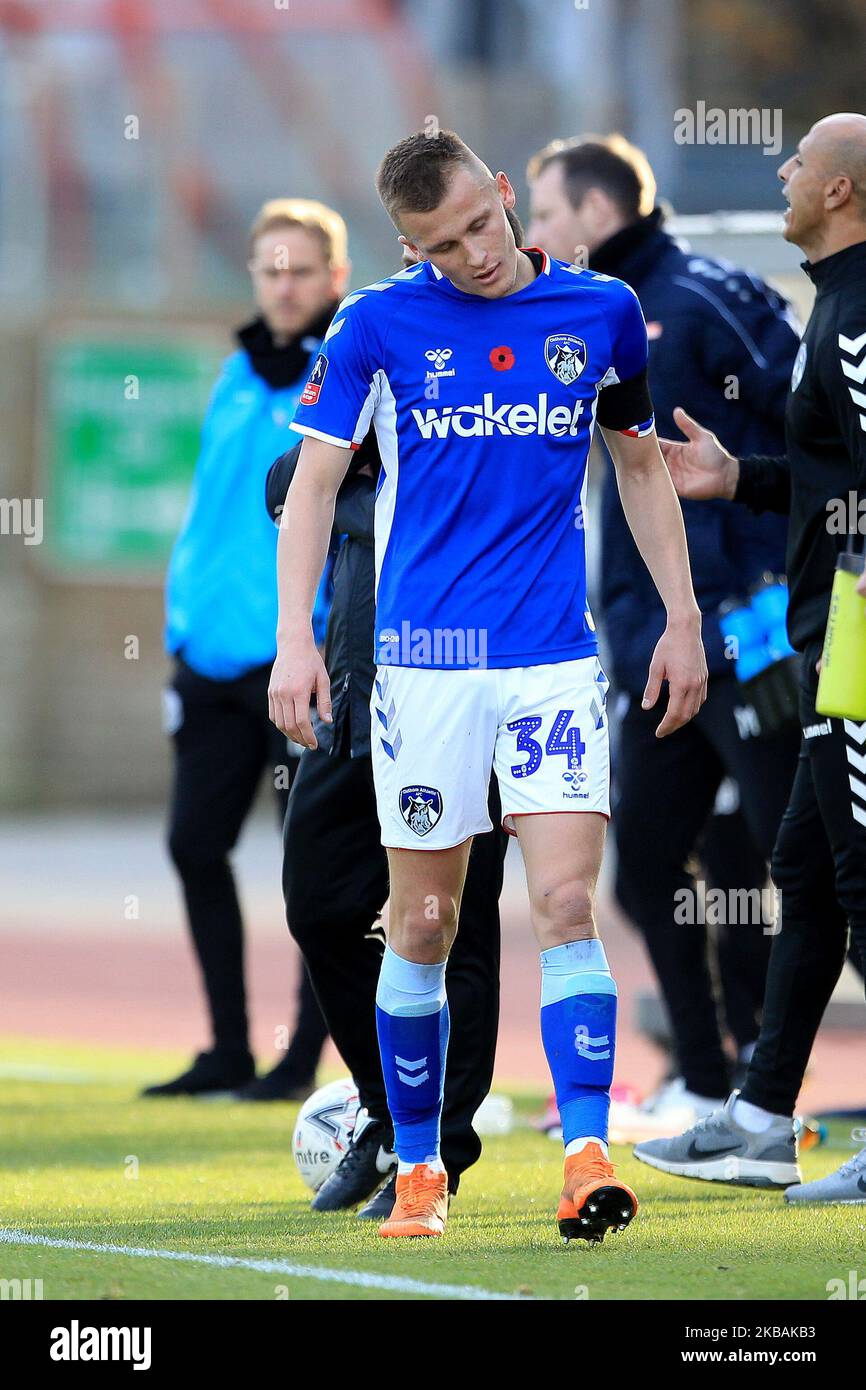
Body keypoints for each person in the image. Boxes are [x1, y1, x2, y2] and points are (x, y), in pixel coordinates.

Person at [269, 129, 707, 1243]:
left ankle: (584, 1157)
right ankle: (419, 1166)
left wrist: (681, 620)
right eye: (440, 243)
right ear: (406, 246)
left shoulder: (599, 311)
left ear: (505, 194)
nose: (472, 254)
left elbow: (641, 465)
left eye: (479, 222)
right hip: (424, 674)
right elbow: (314, 486)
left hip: (552, 660)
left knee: (565, 905)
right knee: (420, 922)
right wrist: (296, 639)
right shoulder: (375, 324)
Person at [526, 135, 802, 1118]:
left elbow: (815, 429)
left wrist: (769, 590)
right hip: (655, 650)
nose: (530, 235)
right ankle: (705, 1080)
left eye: (543, 214)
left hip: (754, 643)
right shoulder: (594, 315)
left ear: (595, 215)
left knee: (797, 871)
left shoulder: (698, 299)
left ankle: (763, 1092)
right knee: (644, 866)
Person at [266, 218, 522, 1220]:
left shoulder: (529, 343)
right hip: (358, 671)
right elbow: (289, 482)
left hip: (476, 669)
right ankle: (384, 1109)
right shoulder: (370, 323)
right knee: (320, 896)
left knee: (449, 917)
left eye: (469, 225)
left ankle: (439, 1150)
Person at [632, 113, 866, 1204]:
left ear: (843, 191)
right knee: (807, 873)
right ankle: (765, 1115)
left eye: (801, 161)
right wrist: (741, 479)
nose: (781, 170)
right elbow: (836, 478)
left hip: (859, 643)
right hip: (837, 641)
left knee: (851, 880)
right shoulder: (835, 304)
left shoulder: (861, 313)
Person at [143, 199, 341, 1101]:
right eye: (271, 269)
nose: (285, 284)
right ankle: (227, 1046)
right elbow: (213, 512)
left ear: (334, 278)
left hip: (297, 661)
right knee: (192, 844)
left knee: (312, 863)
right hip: (212, 660)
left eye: (302, 269)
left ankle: (303, 1057)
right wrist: (181, 625)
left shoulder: (346, 374)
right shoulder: (233, 374)